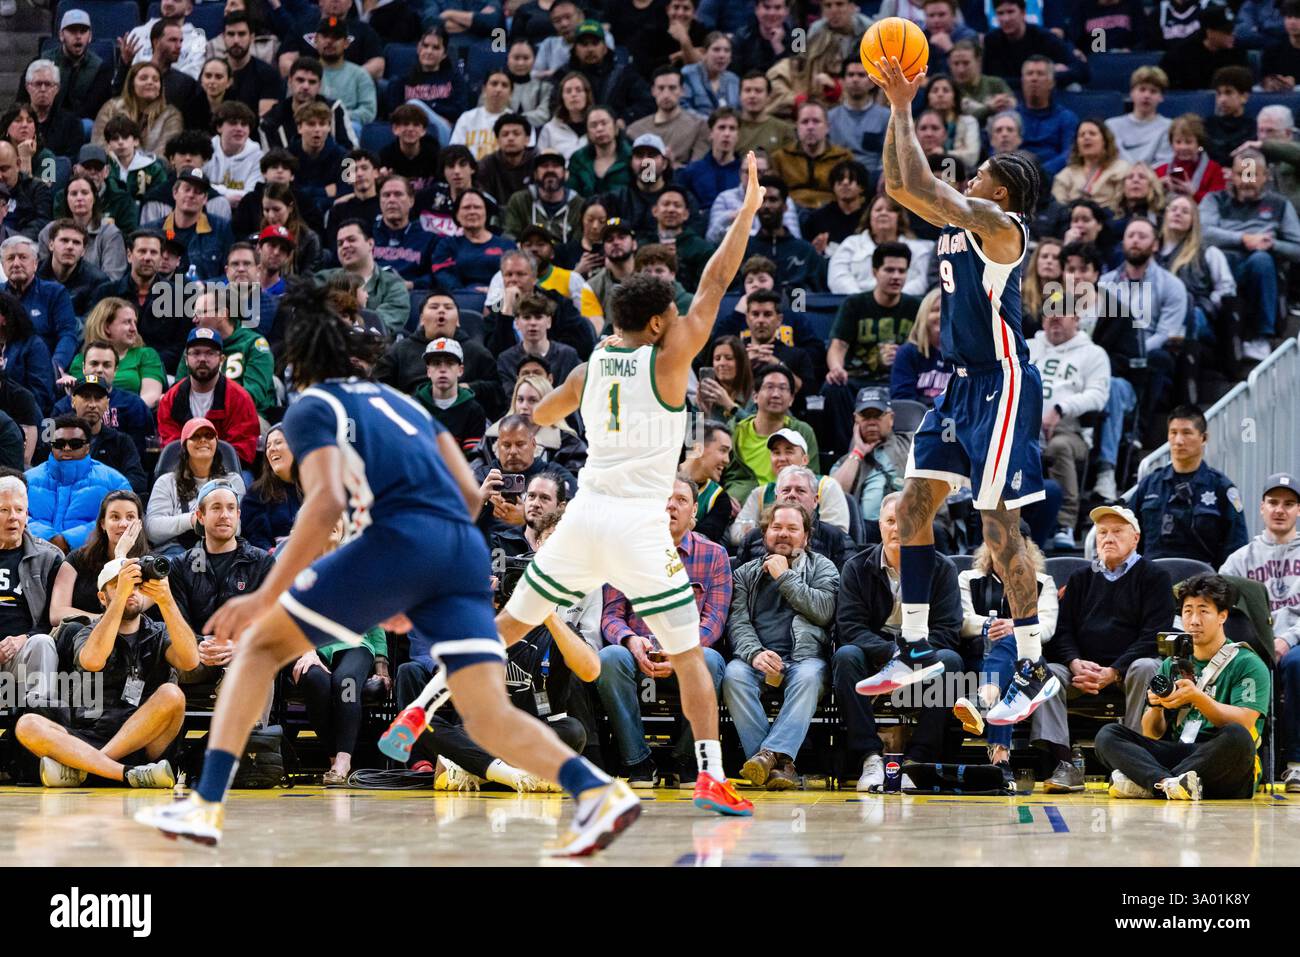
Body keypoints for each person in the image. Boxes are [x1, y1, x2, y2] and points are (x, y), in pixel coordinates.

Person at [481, 155, 769, 818]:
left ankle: (431, 696)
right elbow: (720, 278)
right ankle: (709, 776)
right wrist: (747, 210)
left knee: (507, 625)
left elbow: (547, 412)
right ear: (662, 322)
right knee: (690, 657)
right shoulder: (670, 360)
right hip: (640, 522)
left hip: (585, 512)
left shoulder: (591, 361)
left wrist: (526, 417)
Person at [853, 53, 1059, 725]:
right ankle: (913, 647)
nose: (970, 178)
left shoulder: (1002, 230)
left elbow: (921, 181)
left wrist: (904, 102)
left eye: (980, 176)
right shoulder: (960, 225)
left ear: (1002, 192)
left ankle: (1031, 664)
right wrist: (893, 108)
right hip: (961, 388)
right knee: (912, 508)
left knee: (1000, 529)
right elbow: (900, 183)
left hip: (1003, 387)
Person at [16, 551, 199, 789]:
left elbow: (190, 661)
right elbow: (93, 660)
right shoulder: (86, 631)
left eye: (136, 585)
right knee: (27, 724)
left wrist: (167, 601)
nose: (130, 590)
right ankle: (126, 774)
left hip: (144, 742)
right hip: (89, 736)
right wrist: (119, 599)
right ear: (102, 597)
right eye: (119, 585)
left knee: (172, 695)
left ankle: (88, 768)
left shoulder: (159, 631)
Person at [1028, 504, 1175, 789]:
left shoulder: (1155, 577)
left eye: (1117, 532)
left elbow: (1154, 636)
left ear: (1136, 538)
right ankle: (1064, 764)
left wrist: (1114, 671)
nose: (1108, 538)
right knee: (1043, 672)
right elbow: (1062, 631)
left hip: (1128, 670)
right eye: (1102, 532)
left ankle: (1132, 764)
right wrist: (1073, 662)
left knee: (1148, 667)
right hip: (1082, 670)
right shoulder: (1081, 578)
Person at [596, 477, 730, 786]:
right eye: (663, 499)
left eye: (680, 500)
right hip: (638, 654)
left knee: (709, 661)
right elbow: (611, 615)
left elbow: (714, 621)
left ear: (694, 511)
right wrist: (630, 640)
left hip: (688, 655)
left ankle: (684, 758)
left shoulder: (715, 555)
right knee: (609, 656)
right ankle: (638, 761)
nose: (670, 505)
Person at [1098, 574, 1270, 801]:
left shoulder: (1247, 662)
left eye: (1203, 611)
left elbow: (1244, 722)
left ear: (1223, 616)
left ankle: (1150, 782)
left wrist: (1199, 698)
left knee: (1238, 737)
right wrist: (1156, 706)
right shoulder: (1172, 663)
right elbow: (1151, 732)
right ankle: (1166, 784)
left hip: (1223, 760)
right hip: (1180, 752)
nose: (1194, 620)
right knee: (1108, 735)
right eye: (1188, 611)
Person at [833, 491, 963, 789]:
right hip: (877, 658)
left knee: (951, 661)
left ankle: (917, 761)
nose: (897, 528)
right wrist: (893, 652)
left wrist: (914, 656)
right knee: (845, 656)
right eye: (890, 521)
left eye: (904, 521)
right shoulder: (856, 567)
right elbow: (850, 628)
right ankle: (870, 757)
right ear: (879, 526)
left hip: (924, 658)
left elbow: (947, 630)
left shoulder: (942, 568)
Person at [726, 501, 838, 789]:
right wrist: (755, 653)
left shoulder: (823, 567)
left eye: (792, 528)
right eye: (777, 527)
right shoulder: (744, 574)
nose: (784, 534)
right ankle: (780, 765)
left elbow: (825, 611)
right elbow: (737, 622)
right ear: (766, 534)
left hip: (805, 659)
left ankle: (765, 758)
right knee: (734, 676)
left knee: (810, 677)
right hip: (758, 659)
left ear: (806, 536)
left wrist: (785, 577)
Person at [289, 519, 389, 785]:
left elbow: (376, 621)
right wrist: (306, 650)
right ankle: (332, 756)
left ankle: (344, 759)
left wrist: (382, 665)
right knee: (314, 680)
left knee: (345, 681)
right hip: (313, 646)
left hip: (356, 643)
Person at [1221, 472, 1300, 789]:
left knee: (1296, 664)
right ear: (1262, 508)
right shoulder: (1241, 559)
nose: (1280, 509)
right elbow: (1218, 602)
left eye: (1289, 503)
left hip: (1296, 641)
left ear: (1298, 511)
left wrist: (1287, 639)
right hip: (1253, 644)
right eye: (1273, 502)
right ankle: (1234, 761)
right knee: (1235, 663)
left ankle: (1295, 763)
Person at [169, 480, 275, 696]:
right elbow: (176, 621)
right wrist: (199, 645)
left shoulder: (262, 562)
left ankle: (245, 727)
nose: (224, 515)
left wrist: (238, 645)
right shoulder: (180, 565)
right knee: (162, 664)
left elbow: (271, 620)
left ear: (238, 515)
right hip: (195, 655)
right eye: (216, 508)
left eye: (230, 508)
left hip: (243, 653)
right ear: (200, 516)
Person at [823, 242, 922, 456]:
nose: (896, 276)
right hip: (859, 381)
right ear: (875, 272)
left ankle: (912, 457)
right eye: (889, 270)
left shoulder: (915, 306)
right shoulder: (855, 304)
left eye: (902, 271)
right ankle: (843, 455)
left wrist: (903, 357)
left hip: (897, 381)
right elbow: (837, 345)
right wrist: (836, 368)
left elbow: (926, 347)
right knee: (833, 387)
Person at [1201, 149, 1300, 361]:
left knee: (1261, 260)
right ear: (1232, 175)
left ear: (1266, 176)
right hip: (1221, 264)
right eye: (1242, 174)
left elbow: (1297, 248)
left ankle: (1261, 337)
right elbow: (1203, 233)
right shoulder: (1214, 199)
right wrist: (1243, 239)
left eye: (1253, 175)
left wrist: (1273, 244)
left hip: (1259, 264)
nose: (1247, 181)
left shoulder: (1280, 204)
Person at [1027, 307, 1110, 550]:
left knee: (1059, 447)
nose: (1054, 318)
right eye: (1048, 313)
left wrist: (1061, 408)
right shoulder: (1028, 346)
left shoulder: (1093, 353)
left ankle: (1065, 523)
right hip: (1022, 426)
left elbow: (1098, 395)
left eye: (1061, 313)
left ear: (1076, 319)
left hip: (1070, 431)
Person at [1127, 405, 1249, 569]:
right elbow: (1128, 536)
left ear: (1204, 438)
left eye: (1186, 433)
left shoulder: (1221, 488)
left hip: (1201, 585)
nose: (1178, 441)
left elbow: (1236, 547)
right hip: (1152, 582)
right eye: (1173, 433)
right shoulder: (1149, 485)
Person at [157, 328, 261, 467]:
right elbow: (171, 448)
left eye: (210, 353)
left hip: (228, 470)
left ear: (222, 359)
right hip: (182, 470)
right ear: (186, 359)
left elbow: (243, 449)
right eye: (196, 353)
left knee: (244, 482)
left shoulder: (239, 398)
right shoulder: (170, 399)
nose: (202, 359)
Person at [147, 416, 248, 559]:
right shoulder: (166, 482)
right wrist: (192, 519)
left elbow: (236, 528)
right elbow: (152, 529)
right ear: (184, 445)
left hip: (221, 552)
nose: (203, 440)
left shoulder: (232, 481)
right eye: (195, 436)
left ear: (216, 443)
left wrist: (205, 521)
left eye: (209, 435)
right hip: (175, 552)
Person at [723, 365, 819, 506]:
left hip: (788, 508)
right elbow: (710, 471)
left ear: (792, 399)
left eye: (782, 388)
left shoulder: (803, 432)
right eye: (769, 387)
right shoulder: (734, 431)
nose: (776, 394)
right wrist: (723, 500)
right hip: (737, 508)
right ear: (755, 396)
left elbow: (813, 478)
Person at [49, 490, 147, 625]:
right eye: (115, 517)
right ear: (102, 524)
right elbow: (56, 613)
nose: (123, 524)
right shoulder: (77, 559)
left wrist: (121, 556)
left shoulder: (151, 565)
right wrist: (101, 620)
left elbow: (126, 614)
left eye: (130, 517)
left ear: (139, 524)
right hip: (80, 636)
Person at [177, 284, 275, 413]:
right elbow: (178, 390)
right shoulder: (194, 346)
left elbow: (253, 395)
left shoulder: (254, 345)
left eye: (201, 312)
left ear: (223, 314)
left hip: (247, 418)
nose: (194, 319)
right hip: (198, 417)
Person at [829, 386, 911, 533]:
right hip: (869, 532)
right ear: (856, 420)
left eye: (877, 415)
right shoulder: (846, 462)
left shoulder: (911, 443)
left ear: (891, 418)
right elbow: (833, 496)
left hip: (911, 524)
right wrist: (858, 452)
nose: (871, 422)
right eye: (866, 416)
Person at [828, 196, 934, 295]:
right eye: (878, 210)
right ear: (869, 216)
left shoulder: (918, 249)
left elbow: (922, 280)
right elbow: (837, 277)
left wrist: (897, 299)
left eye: (890, 210)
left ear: (899, 217)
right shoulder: (850, 244)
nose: (883, 213)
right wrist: (861, 301)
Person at [2, 235, 77, 376]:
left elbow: (67, 334)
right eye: (10, 258)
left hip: (44, 371)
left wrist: (56, 366)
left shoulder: (55, 292)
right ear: (3, 265)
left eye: (23, 257)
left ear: (35, 264)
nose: (16, 263)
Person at [67, 301, 166, 408]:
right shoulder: (81, 360)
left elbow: (151, 396)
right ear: (106, 327)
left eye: (134, 323)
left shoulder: (146, 355)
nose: (134, 329)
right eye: (127, 322)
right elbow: (78, 398)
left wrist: (119, 413)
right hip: (92, 417)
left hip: (132, 416)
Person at [141, 167, 234, 280]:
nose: (191, 195)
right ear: (175, 193)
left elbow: (231, 274)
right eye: (187, 189)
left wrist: (205, 286)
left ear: (205, 199)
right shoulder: (152, 230)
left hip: (205, 295)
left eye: (197, 192)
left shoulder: (221, 229)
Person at [19, 11, 113, 123]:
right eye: (72, 31)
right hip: (44, 120)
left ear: (90, 36)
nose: (78, 36)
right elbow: (22, 101)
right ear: (61, 35)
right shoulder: (41, 62)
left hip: (78, 124)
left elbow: (92, 108)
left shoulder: (99, 69)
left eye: (83, 31)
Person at [983, 0, 1090, 88]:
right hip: (1007, 98)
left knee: (1073, 87)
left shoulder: (1043, 37)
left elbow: (1082, 70)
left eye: (1011, 12)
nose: (1006, 19)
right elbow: (988, 79)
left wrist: (1051, 76)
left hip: (1047, 95)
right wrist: (1035, 80)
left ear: (1023, 13)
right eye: (1000, 13)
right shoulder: (991, 41)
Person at [68, 375, 147, 494]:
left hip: (108, 507)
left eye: (98, 398)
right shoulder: (60, 440)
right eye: (86, 397)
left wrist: (105, 490)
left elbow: (138, 480)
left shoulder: (121, 441)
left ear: (107, 404)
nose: (92, 404)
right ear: (73, 401)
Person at [260, 57, 358, 153]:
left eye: (312, 82)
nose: (305, 86)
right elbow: (270, 162)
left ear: (319, 86)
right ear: (289, 82)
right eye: (300, 80)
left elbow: (351, 151)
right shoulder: (271, 119)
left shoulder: (334, 109)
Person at [429, 191, 517, 295]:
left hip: (502, 299)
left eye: (477, 207)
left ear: (486, 213)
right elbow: (443, 275)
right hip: (460, 300)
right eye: (466, 207)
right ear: (457, 215)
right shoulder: (447, 245)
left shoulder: (507, 245)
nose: (472, 212)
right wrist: (467, 294)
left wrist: (495, 292)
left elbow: (515, 275)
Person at [770, 101, 854, 210]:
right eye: (805, 122)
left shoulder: (843, 157)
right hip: (791, 212)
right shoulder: (780, 158)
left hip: (830, 211)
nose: (810, 127)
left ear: (827, 127)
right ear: (797, 127)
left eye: (816, 121)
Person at [42, 176, 126, 280]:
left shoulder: (110, 233)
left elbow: (112, 278)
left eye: (85, 193)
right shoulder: (49, 231)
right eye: (73, 194)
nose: (79, 198)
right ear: (66, 199)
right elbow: (41, 272)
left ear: (94, 198)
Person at [91, 62, 183, 156]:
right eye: (143, 78)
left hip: (152, 168)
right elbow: (99, 143)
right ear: (131, 84)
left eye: (155, 80)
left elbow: (165, 152)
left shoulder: (171, 115)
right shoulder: (111, 107)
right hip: (112, 165)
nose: (150, 82)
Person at [416, 338, 488, 455]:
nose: (443, 370)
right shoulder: (415, 406)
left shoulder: (474, 410)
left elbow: (474, 458)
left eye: (450, 363)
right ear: (428, 371)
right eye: (436, 363)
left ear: (460, 370)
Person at [627, 67, 709, 169]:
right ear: (653, 91)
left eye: (672, 88)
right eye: (661, 88)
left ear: (682, 91)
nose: (666, 94)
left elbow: (698, 169)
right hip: (646, 180)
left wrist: (671, 165)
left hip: (681, 182)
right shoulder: (635, 130)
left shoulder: (699, 126)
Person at [1015, 55, 1079, 178]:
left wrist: (1041, 172)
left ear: (1052, 82)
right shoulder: (1010, 117)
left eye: (1040, 74)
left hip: (1053, 177)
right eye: (1029, 74)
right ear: (1022, 81)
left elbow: (1069, 153)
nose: (1034, 78)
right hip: (1016, 176)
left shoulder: (1066, 117)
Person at [1159, 4, 1249, 91]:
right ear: (1209, 32)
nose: (1233, 35)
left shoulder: (1237, 52)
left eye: (1233, 29)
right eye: (1227, 31)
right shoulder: (1181, 55)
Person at [239, 423, 299, 553]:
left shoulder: (315, 486)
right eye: (268, 446)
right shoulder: (256, 494)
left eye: (278, 442)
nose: (271, 449)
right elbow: (254, 537)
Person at [891, 287, 954, 407]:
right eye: (935, 310)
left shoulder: (965, 355)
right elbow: (903, 400)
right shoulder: (907, 353)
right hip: (916, 421)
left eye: (947, 309)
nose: (941, 315)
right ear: (923, 316)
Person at [1052, 120, 1130, 213]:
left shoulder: (1121, 168)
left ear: (1105, 141)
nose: (1086, 137)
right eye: (1081, 135)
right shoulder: (1066, 174)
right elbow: (1059, 207)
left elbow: (1121, 205)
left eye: (1092, 134)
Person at [35, 220, 107, 318]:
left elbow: (91, 324)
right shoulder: (33, 274)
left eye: (76, 243)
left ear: (83, 251)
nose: (70, 247)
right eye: (64, 240)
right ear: (51, 245)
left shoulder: (98, 281)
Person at [1106, 66, 1174, 169]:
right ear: (1131, 93)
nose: (1147, 95)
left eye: (1153, 91)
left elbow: (1164, 164)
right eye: (1142, 90)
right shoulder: (1111, 126)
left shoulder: (1170, 127)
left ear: (1161, 97)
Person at [1154, 113, 1227, 205]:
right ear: (1171, 144)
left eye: (1188, 142)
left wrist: (1194, 194)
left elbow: (1219, 204)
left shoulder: (1214, 170)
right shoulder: (1160, 171)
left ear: (1199, 144)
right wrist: (1157, 187)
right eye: (1178, 142)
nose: (1183, 147)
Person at [681, 422, 734, 544]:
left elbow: (704, 542)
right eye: (723, 450)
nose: (727, 460)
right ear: (698, 448)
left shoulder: (720, 498)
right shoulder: (661, 478)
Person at [204, 101, 264, 211]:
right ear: (219, 127)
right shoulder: (204, 150)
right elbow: (198, 186)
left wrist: (215, 192)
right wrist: (226, 195)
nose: (239, 129)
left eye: (244, 124)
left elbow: (251, 196)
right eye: (233, 123)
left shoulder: (258, 157)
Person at [20, 61, 85, 162]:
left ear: (57, 89)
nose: (43, 89)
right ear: (28, 87)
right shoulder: (15, 121)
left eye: (48, 84)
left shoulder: (72, 123)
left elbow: (71, 162)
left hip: (55, 174)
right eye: (38, 84)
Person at [948, 38, 1016, 126]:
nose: (960, 70)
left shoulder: (996, 84)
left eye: (966, 63)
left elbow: (1012, 105)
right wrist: (989, 108)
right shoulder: (948, 89)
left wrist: (1004, 102)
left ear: (978, 62)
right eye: (956, 64)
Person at [378, 109, 441, 198]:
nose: (411, 129)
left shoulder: (434, 152)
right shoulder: (385, 155)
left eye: (416, 125)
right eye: (405, 124)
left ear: (423, 130)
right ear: (395, 129)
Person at [694, 334, 754, 425]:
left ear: (741, 363)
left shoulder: (754, 397)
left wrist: (731, 406)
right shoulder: (703, 397)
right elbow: (693, 438)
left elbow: (758, 432)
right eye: (717, 359)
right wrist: (703, 414)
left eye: (729, 358)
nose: (721, 363)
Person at [1205, 66, 1255, 167]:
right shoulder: (1206, 126)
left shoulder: (1254, 128)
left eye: (1228, 92)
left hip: (1244, 179)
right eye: (1219, 93)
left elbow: (1250, 174)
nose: (1222, 99)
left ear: (1244, 97)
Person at [681, 32, 739, 116]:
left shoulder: (734, 80)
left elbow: (738, 112)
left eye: (727, 50)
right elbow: (683, 109)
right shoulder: (688, 74)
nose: (722, 55)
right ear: (704, 53)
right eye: (716, 49)